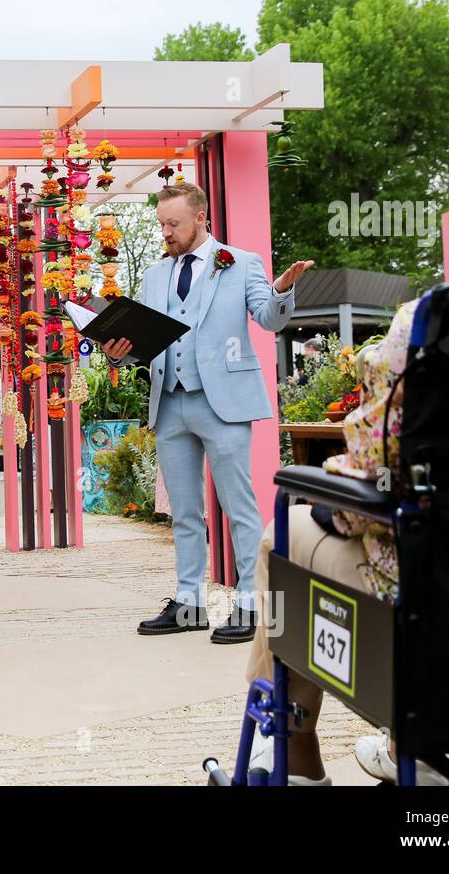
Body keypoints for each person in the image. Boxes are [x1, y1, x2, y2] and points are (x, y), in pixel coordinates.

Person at [245, 144, 449, 784]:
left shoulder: (438, 326)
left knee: (285, 532)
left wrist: (331, 501)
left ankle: (292, 738)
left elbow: (375, 472)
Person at [103, 182, 314, 643]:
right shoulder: (156, 275)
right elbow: (144, 342)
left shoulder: (241, 262)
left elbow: (270, 319)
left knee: (239, 507)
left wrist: (282, 290)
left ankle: (251, 603)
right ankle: (189, 603)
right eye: (161, 224)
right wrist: (119, 353)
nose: (166, 232)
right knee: (183, 512)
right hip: (170, 401)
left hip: (225, 401)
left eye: (173, 224)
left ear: (201, 218)